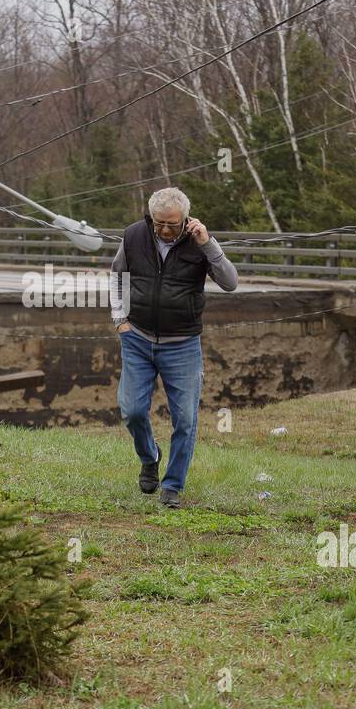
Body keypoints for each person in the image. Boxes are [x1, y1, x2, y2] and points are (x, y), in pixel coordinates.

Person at [109, 187, 238, 508]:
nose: (165, 230)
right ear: (150, 217)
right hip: (137, 338)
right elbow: (117, 275)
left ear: (186, 219)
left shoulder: (201, 242)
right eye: (159, 223)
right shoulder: (134, 235)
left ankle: (172, 486)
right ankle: (149, 456)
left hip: (182, 344)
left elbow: (230, 281)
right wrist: (119, 319)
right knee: (133, 410)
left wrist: (208, 245)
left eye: (172, 224)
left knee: (185, 419)